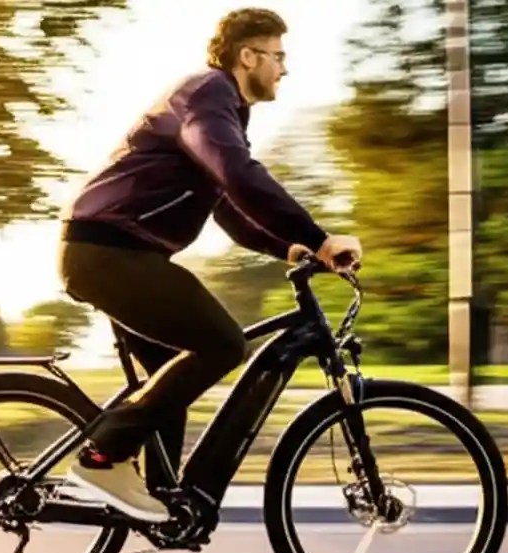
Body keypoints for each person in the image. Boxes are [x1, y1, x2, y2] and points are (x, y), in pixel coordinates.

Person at [55, 7, 363, 522]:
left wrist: (286, 248)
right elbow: (240, 176)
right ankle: (102, 458)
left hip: (116, 251)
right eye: (279, 57)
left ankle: (158, 504)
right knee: (222, 343)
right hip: (107, 250)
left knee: (167, 382)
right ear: (249, 56)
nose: (284, 69)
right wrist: (318, 237)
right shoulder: (208, 94)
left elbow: (226, 204)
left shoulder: (223, 111)